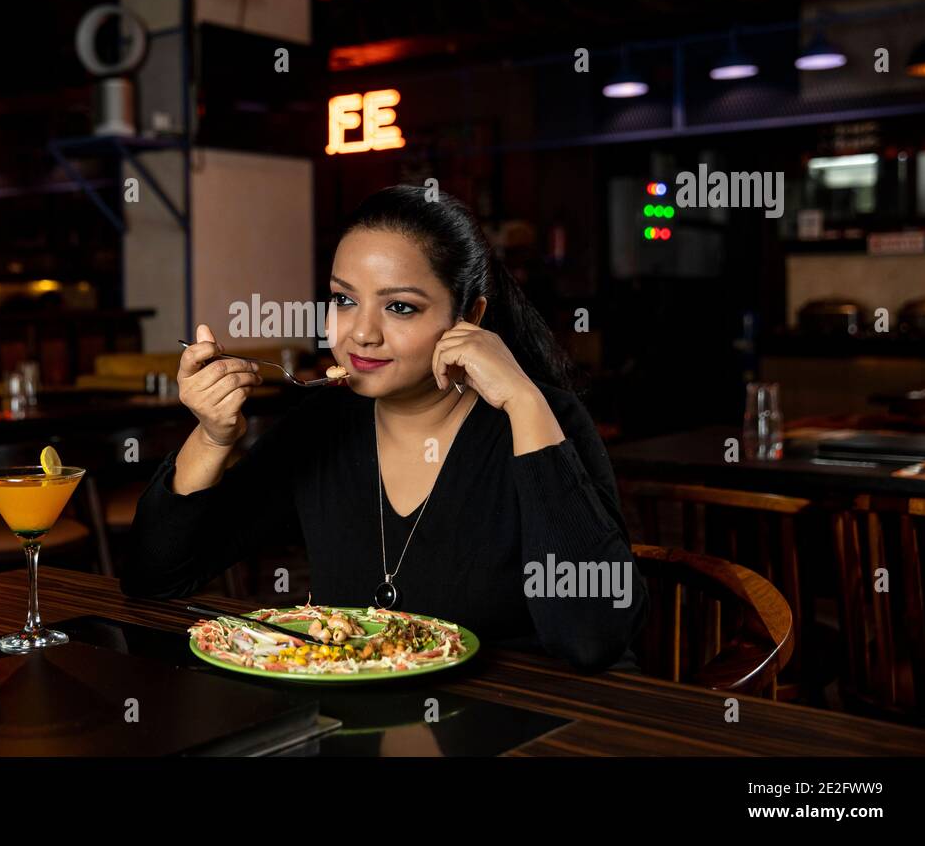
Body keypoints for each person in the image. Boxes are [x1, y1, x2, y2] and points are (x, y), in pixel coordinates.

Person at [120, 185, 646, 671]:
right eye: (344, 299)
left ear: (471, 318)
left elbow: (591, 641)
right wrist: (212, 438)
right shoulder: (325, 423)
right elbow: (154, 577)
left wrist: (525, 403)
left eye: (400, 307)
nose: (362, 333)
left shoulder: (541, 419)